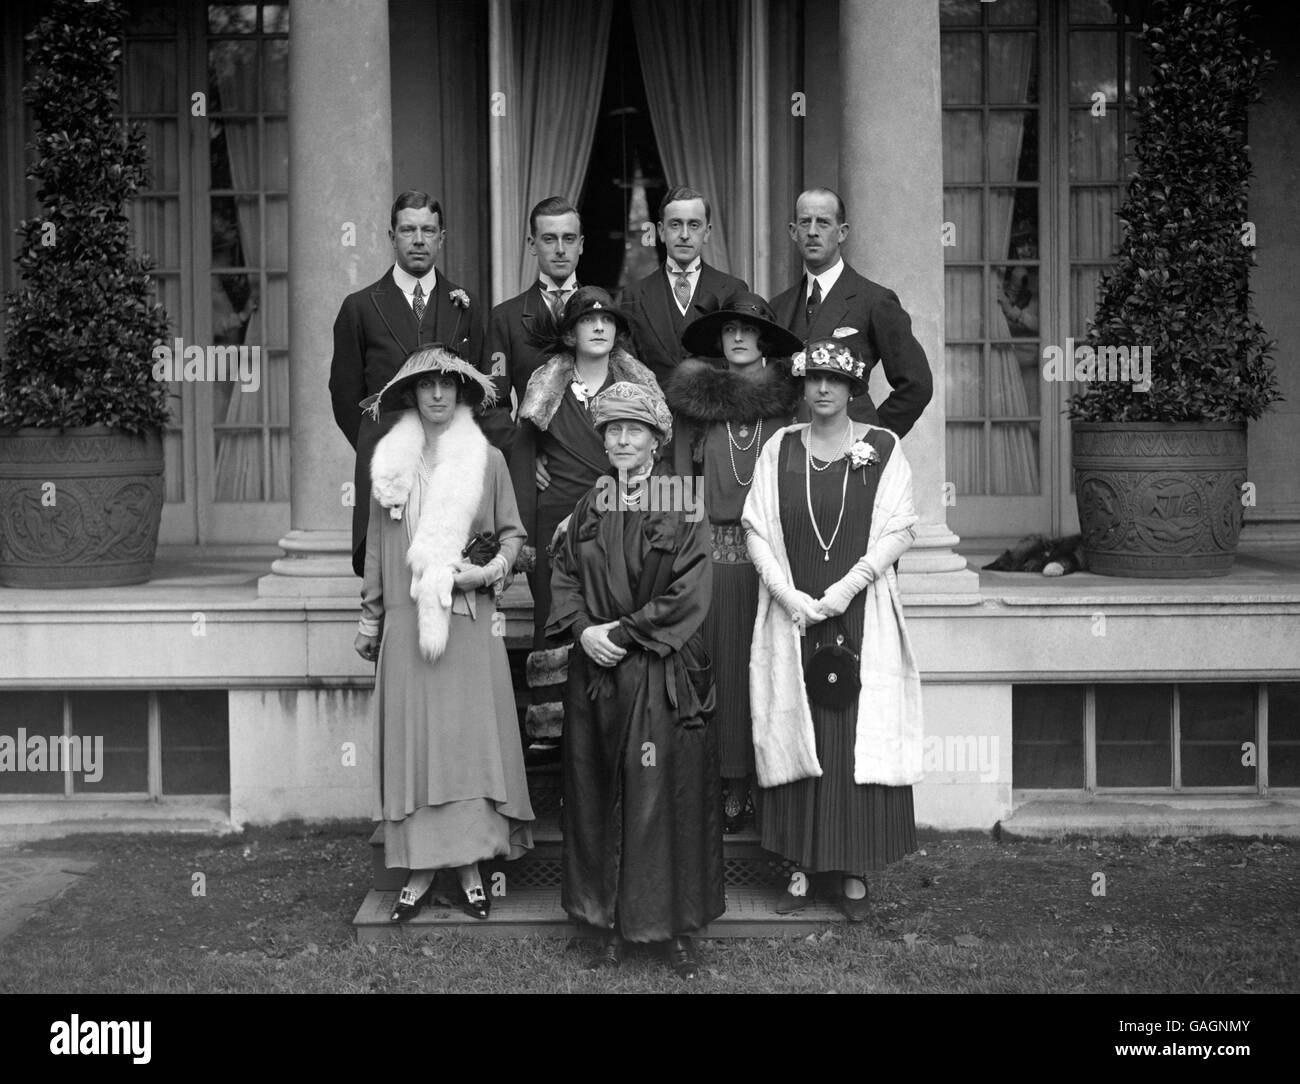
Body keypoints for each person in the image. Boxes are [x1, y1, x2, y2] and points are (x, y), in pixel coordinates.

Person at [742, 337, 923, 921]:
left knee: (849, 737)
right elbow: (755, 529)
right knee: (800, 728)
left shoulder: (883, 447)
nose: (823, 389)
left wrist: (847, 587)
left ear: (853, 388)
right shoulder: (780, 448)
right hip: (794, 613)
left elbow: (901, 528)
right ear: (802, 386)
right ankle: (799, 865)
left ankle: (850, 870)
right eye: (814, 379)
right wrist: (788, 594)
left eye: (836, 381)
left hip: (859, 611)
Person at [549, 381, 724, 979]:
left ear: (656, 438)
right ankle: (599, 922)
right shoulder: (588, 504)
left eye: (635, 430)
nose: (623, 439)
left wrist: (620, 633)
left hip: (656, 669)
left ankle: (671, 929)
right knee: (595, 793)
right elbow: (564, 575)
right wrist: (581, 632)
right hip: (596, 674)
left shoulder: (684, 500)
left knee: (663, 800)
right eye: (613, 430)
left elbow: (691, 589)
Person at [354, 345, 534, 922]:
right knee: (416, 742)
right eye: (426, 386)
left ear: (461, 394)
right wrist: (370, 616)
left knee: (465, 743)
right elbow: (380, 551)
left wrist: (485, 572)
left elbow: (513, 539)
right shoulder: (390, 464)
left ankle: (470, 866)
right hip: (408, 623)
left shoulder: (488, 461)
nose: (437, 395)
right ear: (411, 394)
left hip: (469, 618)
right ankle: (420, 867)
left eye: (447, 385)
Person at [664, 292, 802, 834]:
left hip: (775, 560)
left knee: (766, 670)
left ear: (764, 339)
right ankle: (721, 783)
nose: (739, 337)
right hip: (713, 560)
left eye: (749, 329)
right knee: (715, 671)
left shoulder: (790, 406)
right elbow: (677, 487)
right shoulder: (697, 407)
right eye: (729, 331)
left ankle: (770, 785)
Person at [511, 287, 661, 756]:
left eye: (607, 321)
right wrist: (521, 533)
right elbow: (520, 458)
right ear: (570, 332)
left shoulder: (638, 387)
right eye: (587, 320)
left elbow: (658, 456)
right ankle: (552, 727)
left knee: (614, 607)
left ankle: (616, 724)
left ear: (617, 332)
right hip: (555, 515)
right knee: (555, 616)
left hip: (620, 513)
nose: (598, 327)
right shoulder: (545, 386)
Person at [330, 191, 485, 576]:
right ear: (391, 236)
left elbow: (480, 386)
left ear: (441, 237)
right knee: (390, 577)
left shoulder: (464, 304)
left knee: (449, 575)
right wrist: (380, 444)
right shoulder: (360, 307)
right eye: (408, 230)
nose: (418, 240)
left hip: (449, 465)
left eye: (428, 230)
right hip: (389, 466)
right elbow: (345, 394)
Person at [768, 188, 933, 437]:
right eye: (805, 222)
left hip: (851, 449)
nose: (812, 231)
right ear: (793, 231)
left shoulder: (875, 300)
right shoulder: (779, 306)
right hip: (791, 447)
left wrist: (875, 437)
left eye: (823, 222)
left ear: (842, 232)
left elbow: (916, 384)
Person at [479, 196, 585, 458]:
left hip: (597, 462)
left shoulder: (604, 315)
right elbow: (492, 404)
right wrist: (523, 453)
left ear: (581, 245)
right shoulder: (505, 318)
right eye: (549, 239)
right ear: (532, 244)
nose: (560, 249)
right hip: (538, 470)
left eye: (569, 239)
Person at [619, 185, 748, 385]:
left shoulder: (733, 290)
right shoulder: (633, 295)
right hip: (655, 412)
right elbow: (627, 370)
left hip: (717, 412)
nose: (685, 234)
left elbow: (742, 367)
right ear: (661, 231)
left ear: (707, 232)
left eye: (694, 225)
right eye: (676, 224)